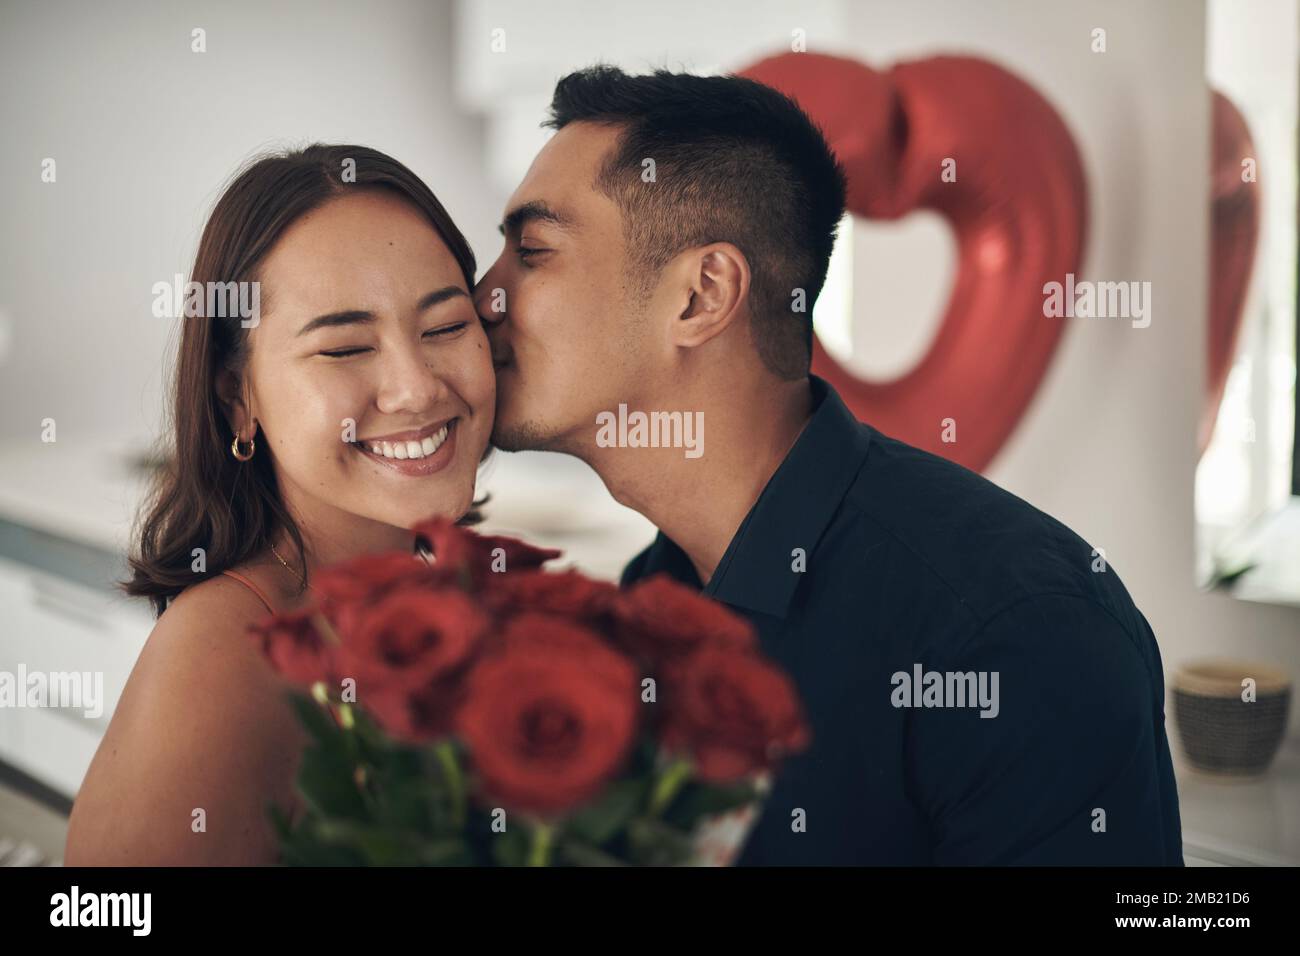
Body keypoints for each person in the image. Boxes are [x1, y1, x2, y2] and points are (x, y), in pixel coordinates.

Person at [473, 65, 1184, 865]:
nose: (481, 297)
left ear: (702, 295)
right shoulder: (655, 597)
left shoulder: (1014, 629)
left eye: (531, 252)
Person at [64, 145, 495, 865]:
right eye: (344, 347)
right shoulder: (225, 658)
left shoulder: (437, 592)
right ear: (240, 399)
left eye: (447, 327)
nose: (417, 388)